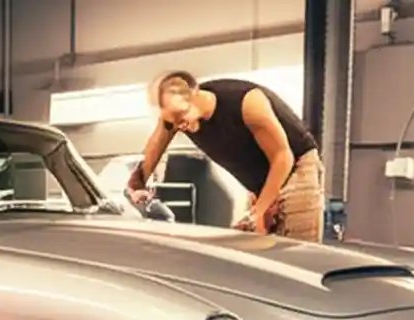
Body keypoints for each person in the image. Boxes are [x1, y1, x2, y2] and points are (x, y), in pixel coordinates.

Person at [126, 70, 325, 241]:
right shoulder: (175, 116)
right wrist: (137, 184)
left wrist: (259, 211)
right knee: (263, 250)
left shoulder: (247, 103)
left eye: (181, 117)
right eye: (172, 122)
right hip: (259, 180)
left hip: (296, 168)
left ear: (196, 94)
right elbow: (154, 148)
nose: (178, 126)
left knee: (296, 248)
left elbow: (283, 157)